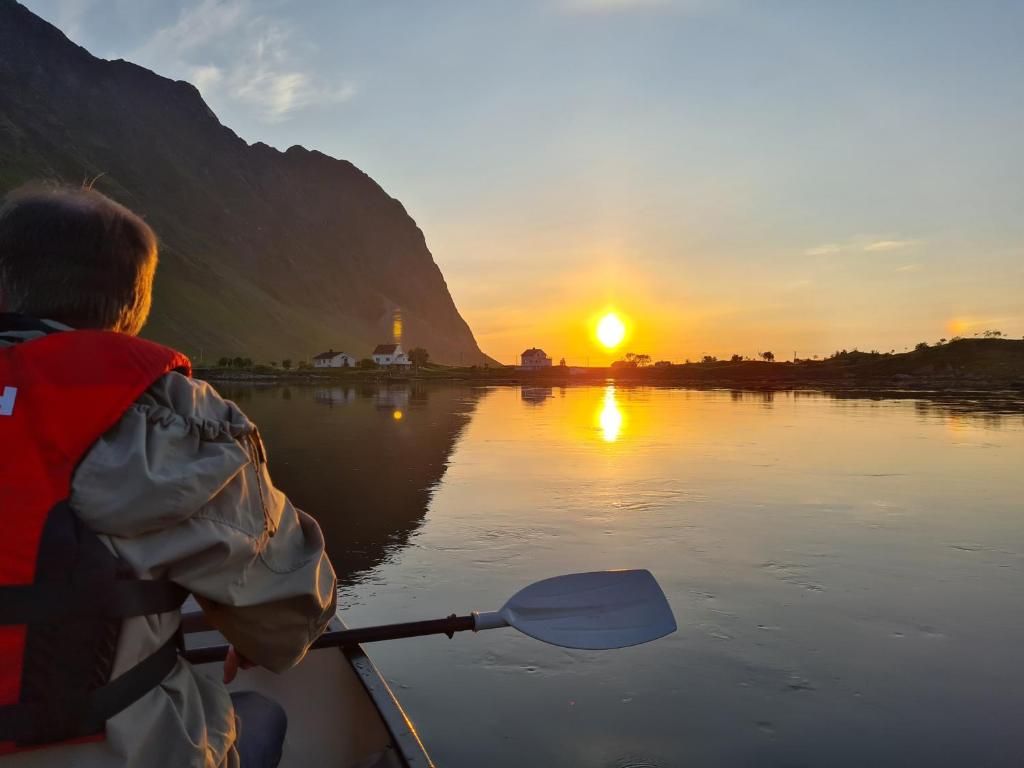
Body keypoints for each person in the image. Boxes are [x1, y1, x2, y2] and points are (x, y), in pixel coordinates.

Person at [0, 184, 337, 767]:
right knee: (264, 716)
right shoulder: (177, 424)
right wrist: (249, 629)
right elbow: (286, 619)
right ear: (133, 308)